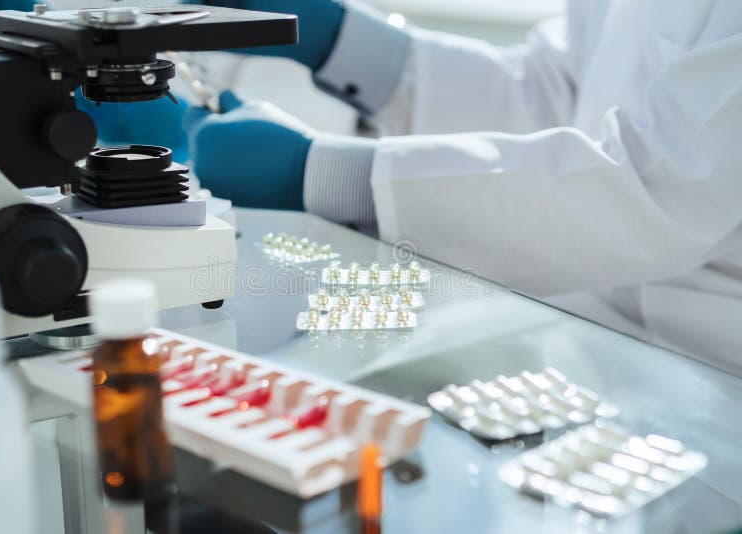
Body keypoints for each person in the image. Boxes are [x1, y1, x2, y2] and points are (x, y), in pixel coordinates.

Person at [188, 0, 742, 374]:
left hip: (714, 376)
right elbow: (558, 98)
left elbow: (654, 197)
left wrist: (325, 173)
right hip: (597, 347)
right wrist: (345, 40)